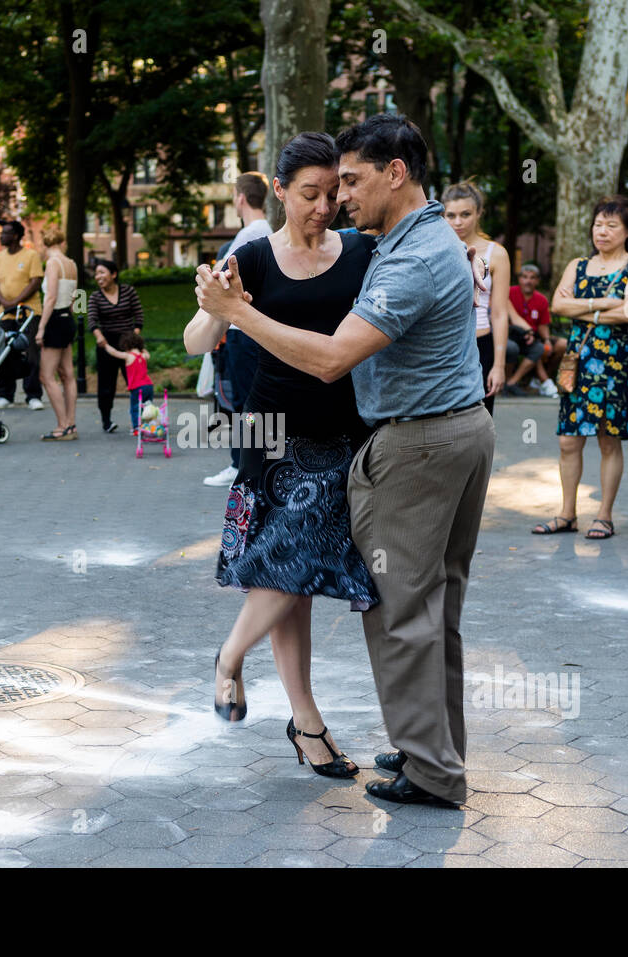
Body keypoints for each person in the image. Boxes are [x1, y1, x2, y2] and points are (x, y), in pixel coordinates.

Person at [197, 114, 494, 809]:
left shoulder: (414, 255)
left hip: (420, 443)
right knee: (430, 605)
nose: (340, 199)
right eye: (324, 187)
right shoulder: (404, 240)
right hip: (441, 433)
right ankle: (431, 750)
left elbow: (333, 358)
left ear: (397, 172)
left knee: (402, 610)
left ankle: (430, 769)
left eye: (351, 181)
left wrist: (238, 314)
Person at [186, 131, 378, 779]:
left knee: (292, 567)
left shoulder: (360, 252)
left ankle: (233, 659)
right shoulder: (255, 259)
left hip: (338, 434)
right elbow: (194, 341)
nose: (324, 207)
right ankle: (306, 721)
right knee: (288, 578)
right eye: (308, 195)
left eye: (333, 193)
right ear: (278, 189)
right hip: (268, 435)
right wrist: (218, 306)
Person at [533, 196, 628, 541]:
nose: (603, 231)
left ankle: (604, 515)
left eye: (612, 225)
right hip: (578, 362)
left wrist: (580, 307)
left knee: (608, 440)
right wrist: (604, 305)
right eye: (599, 224)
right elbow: (557, 304)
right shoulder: (578, 264)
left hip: (616, 362)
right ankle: (567, 513)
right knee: (568, 440)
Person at [203, 171, 271, 487]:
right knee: (251, 401)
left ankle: (241, 467)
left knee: (245, 402)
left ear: (240, 198)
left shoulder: (250, 233)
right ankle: (250, 464)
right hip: (250, 328)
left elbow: (218, 278)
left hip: (242, 330)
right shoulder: (265, 230)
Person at [443, 181, 508, 414]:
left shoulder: (497, 254)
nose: (458, 221)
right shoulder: (437, 249)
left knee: (480, 416)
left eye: (466, 214)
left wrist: (499, 366)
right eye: (451, 215)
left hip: (481, 345)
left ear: (479, 213)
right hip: (444, 344)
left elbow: (500, 314)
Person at [0, 219, 46, 409]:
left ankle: (33, 395)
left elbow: (36, 281)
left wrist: (16, 302)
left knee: (31, 353)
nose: (1, 236)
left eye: (4, 233)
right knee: (4, 353)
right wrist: (4, 302)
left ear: (15, 236)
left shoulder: (31, 255)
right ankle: (5, 394)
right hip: (5, 313)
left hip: (29, 312)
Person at [87, 258, 144, 432]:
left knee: (137, 382)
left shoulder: (128, 291)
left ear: (113, 274)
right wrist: (99, 337)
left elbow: (139, 317)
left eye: (102, 272)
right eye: (96, 273)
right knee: (106, 383)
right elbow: (92, 321)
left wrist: (133, 340)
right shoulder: (95, 297)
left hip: (128, 342)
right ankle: (106, 421)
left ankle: (142, 418)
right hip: (107, 344)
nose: (98, 277)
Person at [36, 226, 79, 440]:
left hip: (54, 319)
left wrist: (41, 327)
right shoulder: (72, 264)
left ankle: (62, 425)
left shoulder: (52, 263)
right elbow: (74, 298)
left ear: (46, 245)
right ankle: (71, 423)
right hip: (67, 319)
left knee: (46, 375)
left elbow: (50, 298)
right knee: (68, 375)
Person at [504, 263, 565, 397]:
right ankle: (545, 382)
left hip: (533, 336)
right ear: (519, 279)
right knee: (528, 347)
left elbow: (543, 325)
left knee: (559, 345)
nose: (528, 281)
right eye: (525, 277)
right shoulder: (509, 293)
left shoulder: (541, 300)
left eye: (532, 278)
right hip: (511, 335)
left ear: (537, 281)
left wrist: (547, 340)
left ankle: (536, 381)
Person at [99, 331, 153, 433]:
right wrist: (142, 348)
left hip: (137, 387)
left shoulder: (128, 356)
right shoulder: (143, 355)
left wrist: (106, 346)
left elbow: (115, 353)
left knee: (135, 408)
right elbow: (148, 354)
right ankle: (149, 425)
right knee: (148, 407)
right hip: (149, 385)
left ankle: (137, 428)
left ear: (125, 345)